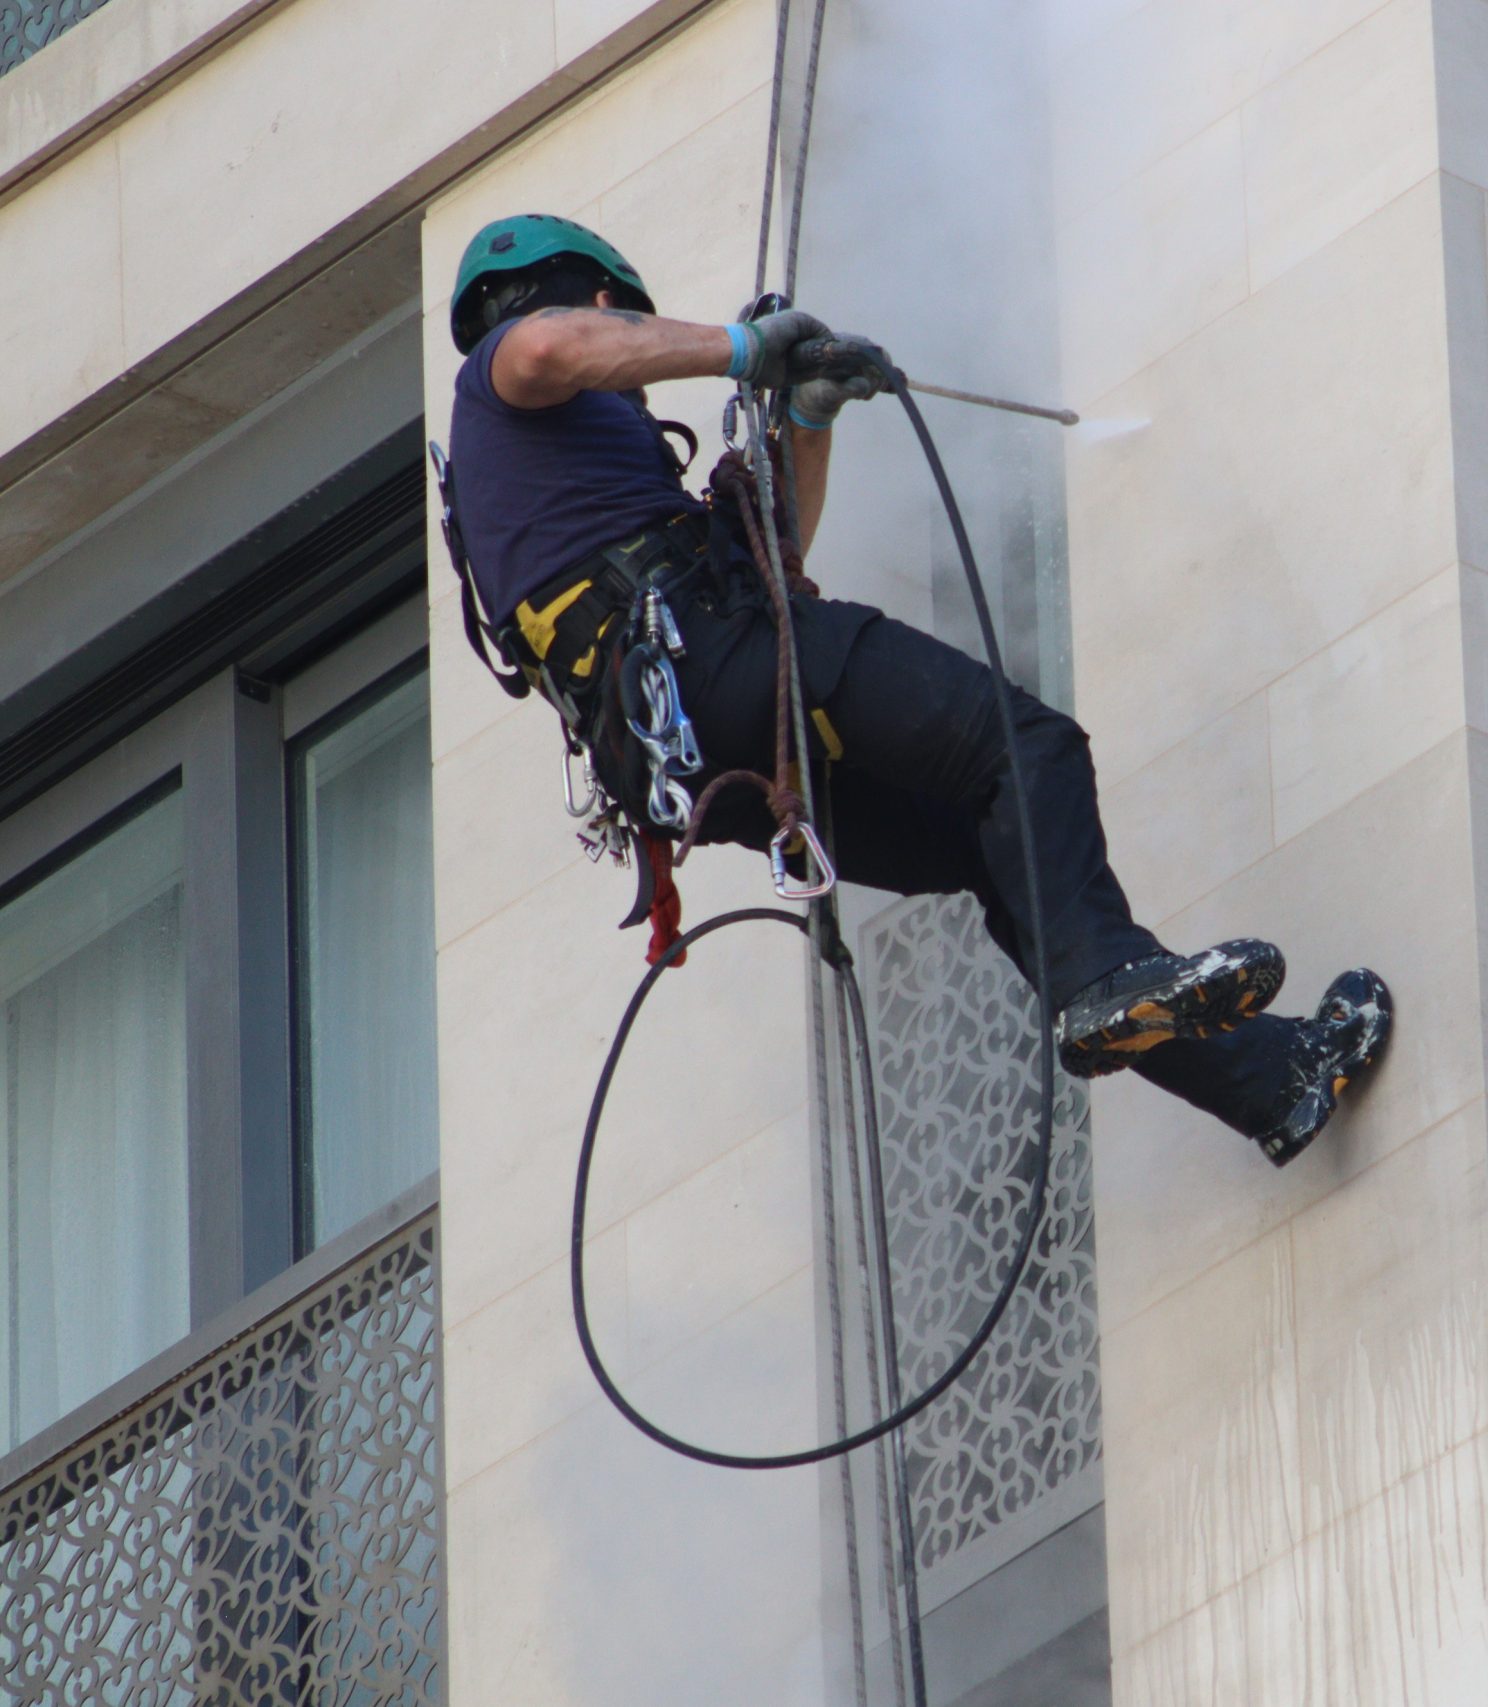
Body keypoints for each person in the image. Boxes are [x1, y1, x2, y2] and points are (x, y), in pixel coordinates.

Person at [441, 214, 1390, 1165]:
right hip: (711, 660)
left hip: (688, 739)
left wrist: (806, 413)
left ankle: (1271, 1079)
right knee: (1024, 745)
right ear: (598, 297)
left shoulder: (564, 481)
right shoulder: (502, 377)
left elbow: (779, 556)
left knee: (994, 836)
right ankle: (1108, 980)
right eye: (625, 326)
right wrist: (743, 349)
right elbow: (547, 344)